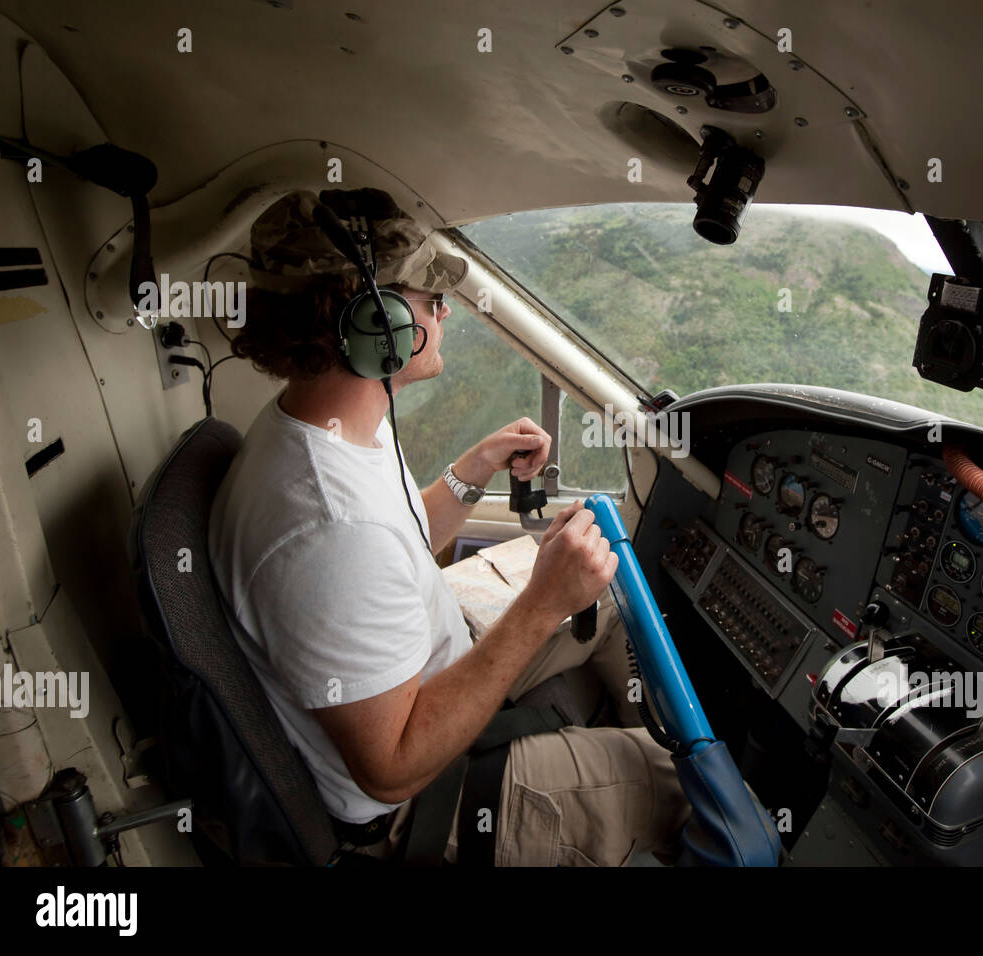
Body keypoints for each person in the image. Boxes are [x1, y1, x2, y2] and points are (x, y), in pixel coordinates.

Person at [209, 188, 690, 865]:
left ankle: (651, 737)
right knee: (671, 777)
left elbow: (394, 547)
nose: (448, 313)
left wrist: (473, 469)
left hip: (434, 666)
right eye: (433, 301)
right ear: (375, 323)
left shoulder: (325, 429)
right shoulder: (328, 525)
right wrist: (543, 602)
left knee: (610, 599)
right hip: (421, 798)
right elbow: (393, 766)